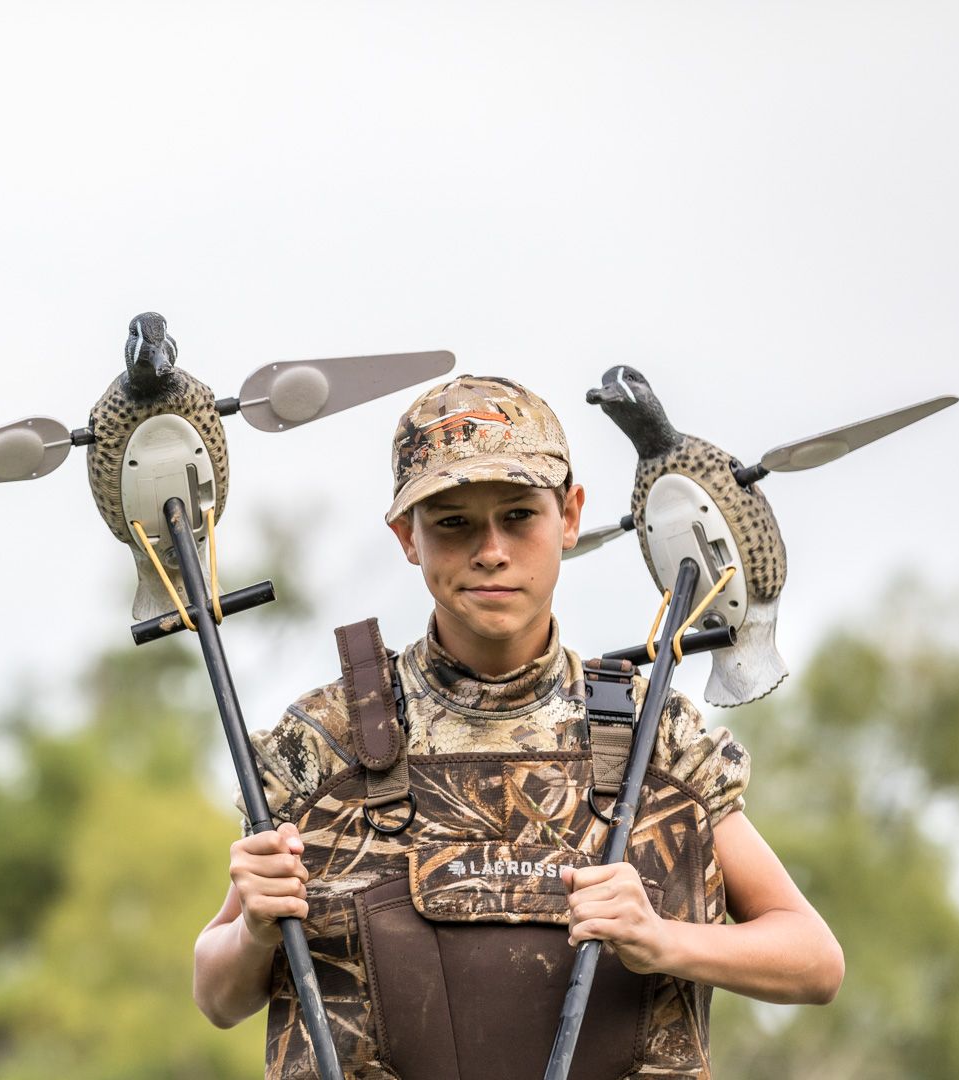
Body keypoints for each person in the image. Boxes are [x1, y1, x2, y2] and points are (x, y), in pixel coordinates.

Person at [192, 376, 843, 1079]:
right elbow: (217, 995)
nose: (492, 550)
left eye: (518, 516)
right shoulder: (326, 742)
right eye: (453, 522)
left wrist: (662, 940)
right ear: (406, 536)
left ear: (569, 516)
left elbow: (813, 960)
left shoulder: (658, 742)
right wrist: (256, 929)